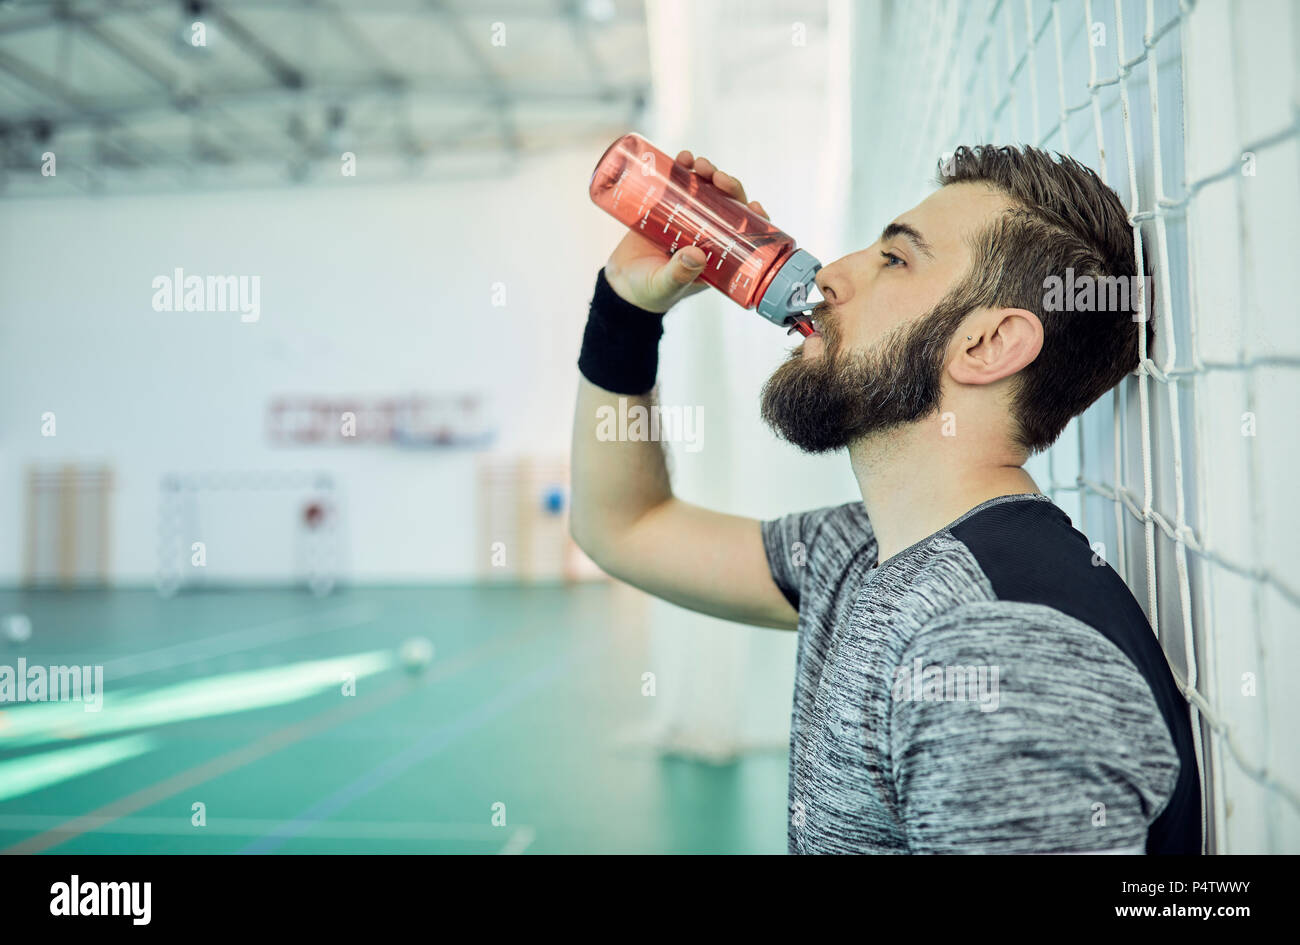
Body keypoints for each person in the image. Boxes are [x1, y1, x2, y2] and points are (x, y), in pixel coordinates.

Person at [570, 144, 1201, 854]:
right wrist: (624, 311)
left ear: (989, 343)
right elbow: (625, 525)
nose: (829, 273)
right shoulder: (864, 550)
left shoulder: (996, 648)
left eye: (895, 259)